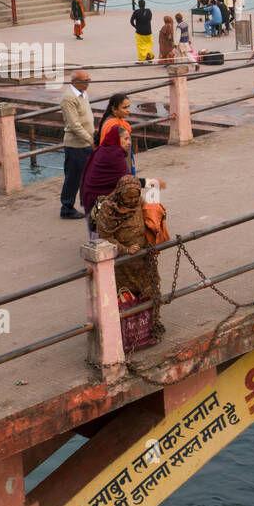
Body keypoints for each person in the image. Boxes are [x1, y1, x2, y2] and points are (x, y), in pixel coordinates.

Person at [96, 175, 165, 344]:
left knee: (150, 292)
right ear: (120, 194)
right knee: (126, 297)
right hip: (123, 266)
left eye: (136, 196)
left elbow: (148, 217)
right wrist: (124, 249)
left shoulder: (139, 202)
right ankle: (129, 334)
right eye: (130, 197)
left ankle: (150, 328)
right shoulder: (108, 210)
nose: (134, 200)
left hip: (143, 261)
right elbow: (105, 237)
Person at [60, 70, 96, 220]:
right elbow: (74, 125)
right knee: (73, 177)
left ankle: (87, 202)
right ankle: (67, 207)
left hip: (86, 141)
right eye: (84, 80)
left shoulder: (82, 94)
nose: (88, 83)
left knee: (88, 175)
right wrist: (90, 139)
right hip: (76, 144)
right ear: (75, 82)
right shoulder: (69, 98)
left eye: (88, 80)